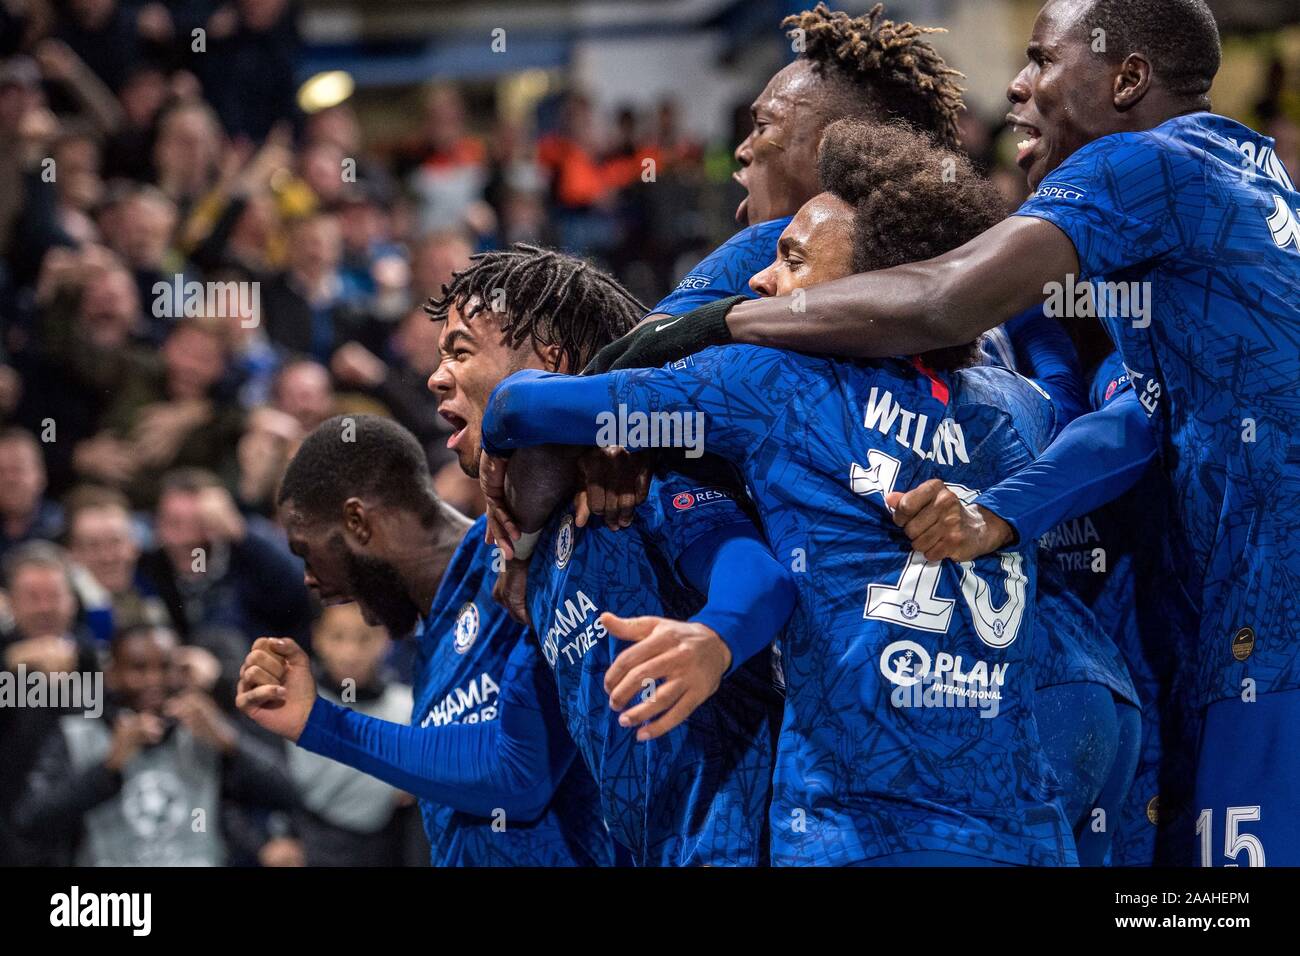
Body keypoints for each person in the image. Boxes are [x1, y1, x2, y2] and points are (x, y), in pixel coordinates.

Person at [590, 0, 1300, 865]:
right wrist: (1002, 510)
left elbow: (946, 301)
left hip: (997, 710)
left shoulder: (1139, 164)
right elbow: (1135, 415)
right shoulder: (1242, 173)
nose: (1017, 83)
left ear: (1128, 79)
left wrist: (719, 328)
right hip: (1123, 675)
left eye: (1042, 59)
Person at [481, 120, 1075, 866]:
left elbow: (522, 406)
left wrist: (510, 452)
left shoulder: (769, 383)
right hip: (1023, 828)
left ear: (869, 291)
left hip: (856, 828)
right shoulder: (1012, 405)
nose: (761, 279)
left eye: (791, 261)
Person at [429, 249, 794, 865]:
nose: (437, 377)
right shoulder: (535, 548)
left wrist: (712, 638)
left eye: (460, 352)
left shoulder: (639, 475)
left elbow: (758, 575)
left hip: (751, 839)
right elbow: (520, 765)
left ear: (552, 363)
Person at [12, 623, 296, 866]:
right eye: (139, 668)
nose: (154, 680)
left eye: (165, 667)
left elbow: (288, 793)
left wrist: (228, 743)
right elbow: (31, 820)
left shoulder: (204, 728)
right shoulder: (77, 733)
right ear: (112, 675)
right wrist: (109, 766)